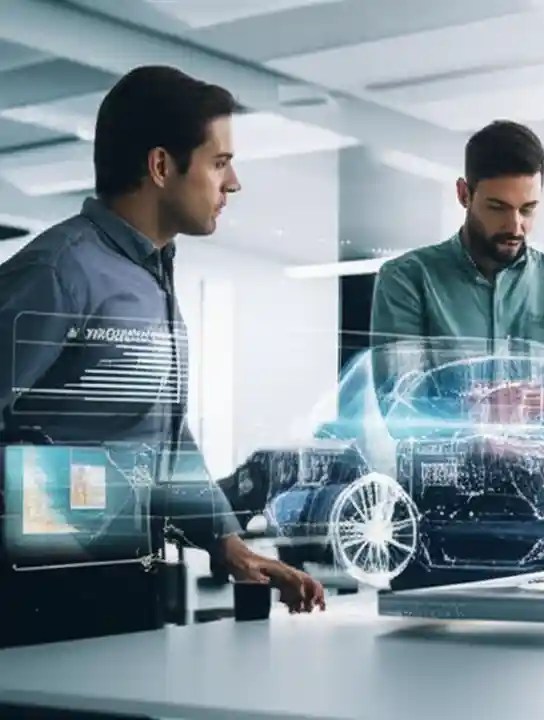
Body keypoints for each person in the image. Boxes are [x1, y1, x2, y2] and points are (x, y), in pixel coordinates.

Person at [0, 66, 325, 648]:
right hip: (46, 598)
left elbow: (161, 437)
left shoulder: (152, 280)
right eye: (220, 162)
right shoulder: (59, 272)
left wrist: (225, 542)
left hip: (128, 581)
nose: (234, 183)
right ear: (160, 167)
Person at [370, 119, 544, 589]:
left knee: (538, 660)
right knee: (424, 661)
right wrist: (492, 415)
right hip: (431, 530)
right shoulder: (407, 280)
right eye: (498, 207)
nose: (515, 225)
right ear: (464, 193)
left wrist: (482, 420)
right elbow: (402, 411)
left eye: (529, 209)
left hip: (531, 529)